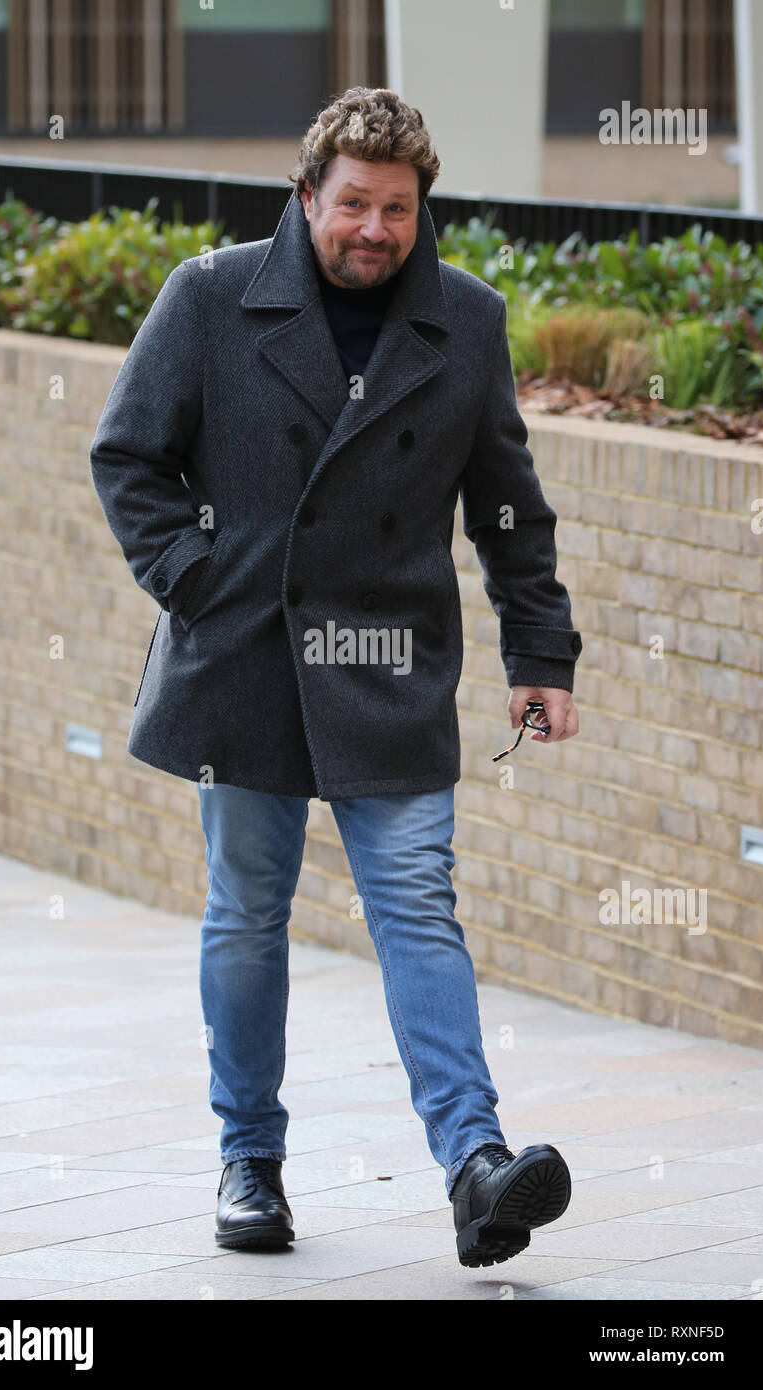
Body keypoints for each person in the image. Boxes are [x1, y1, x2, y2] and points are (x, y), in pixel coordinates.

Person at [89, 87, 582, 1269]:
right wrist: (200, 580)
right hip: (245, 661)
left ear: (423, 209)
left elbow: (505, 504)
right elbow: (128, 453)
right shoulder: (210, 297)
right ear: (307, 196)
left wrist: (541, 652)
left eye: (397, 208)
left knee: (417, 906)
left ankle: (474, 1165)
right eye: (352, 203)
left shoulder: (465, 319)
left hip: (390, 663)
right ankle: (248, 1159)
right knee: (249, 914)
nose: (374, 228)